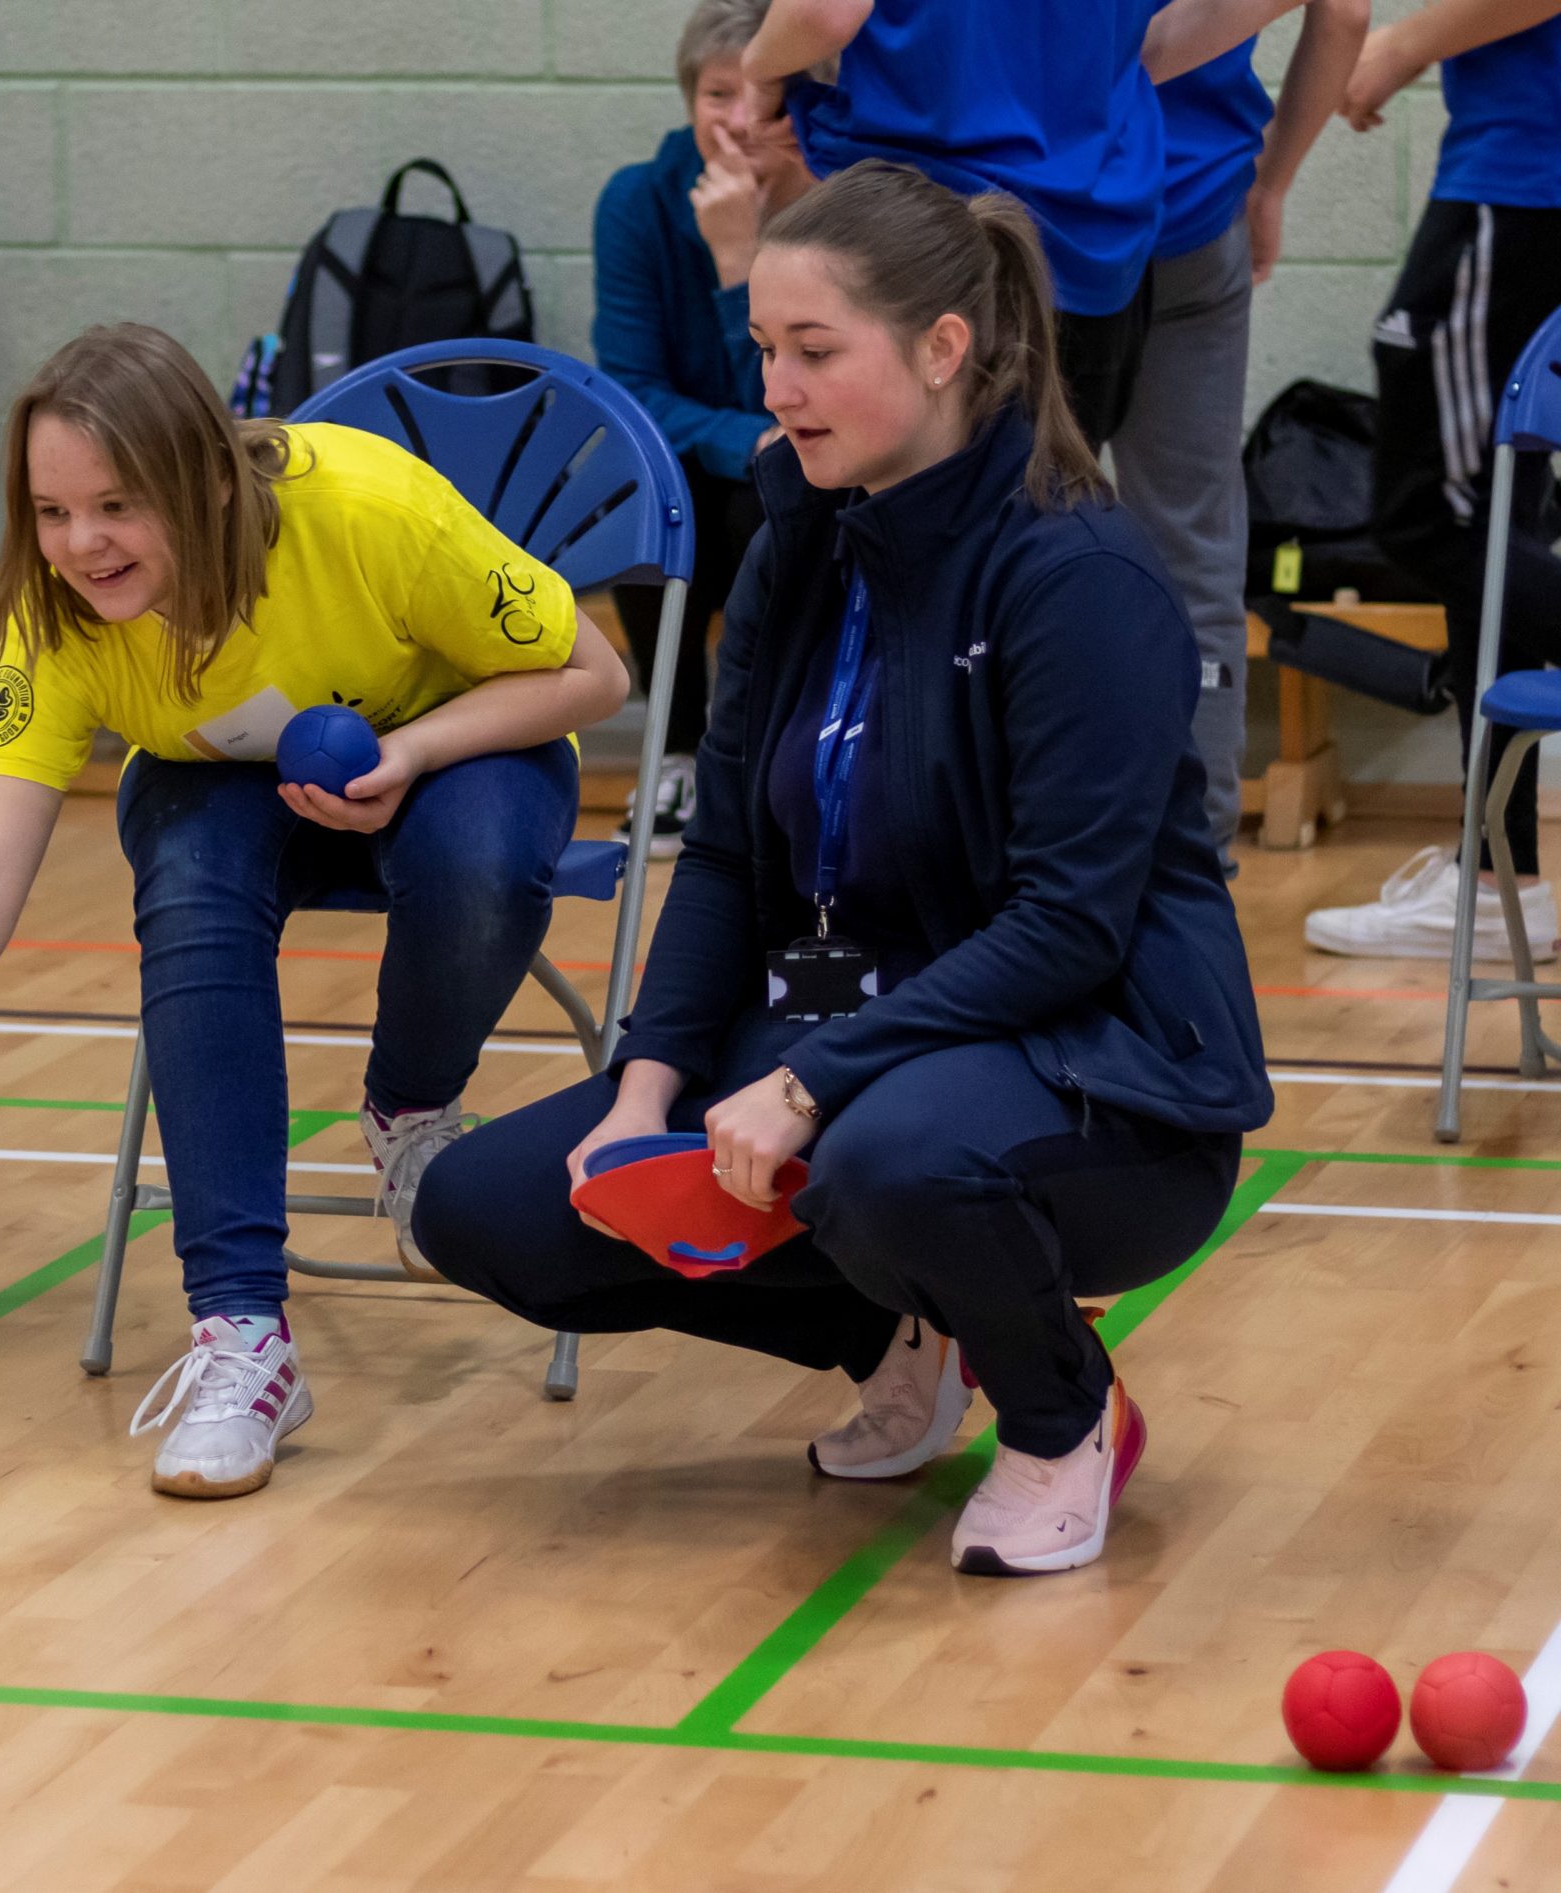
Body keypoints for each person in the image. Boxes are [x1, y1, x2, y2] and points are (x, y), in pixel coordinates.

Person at [413, 163, 1274, 1578]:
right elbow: (731, 849)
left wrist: (809, 1083)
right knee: (492, 1207)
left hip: (1099, 1067)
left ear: (944, 349)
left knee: (886, 1157)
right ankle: (905, 1329)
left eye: (816, 353)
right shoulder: (800, 538)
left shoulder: (1079, 577)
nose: (778, 388)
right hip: (858, 1030)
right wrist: (644, 1092)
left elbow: (1066, 926)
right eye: (765, 351)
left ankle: (1059, 1412)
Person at [0, 324, 628, 1500]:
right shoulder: (52, 624)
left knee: (482, 859)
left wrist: (407, 751)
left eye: (115, 506)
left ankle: (408, 1110)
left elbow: (594, 677)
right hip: (217, 784)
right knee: (190, 884)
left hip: (464, 742)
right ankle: (243, 1337)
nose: (80, 545)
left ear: (203, 480)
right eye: (51, 513)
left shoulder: (367, 507)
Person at [1302, 0, 1561, 961]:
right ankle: (1500, 880)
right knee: (1491, 531)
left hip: (1524, 179)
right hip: (1520, 171)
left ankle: (1500, 879)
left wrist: (1401, 46)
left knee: (1436, 521)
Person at [1120, 0, 1370, 873]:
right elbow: (1346, 11)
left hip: (1035, 207)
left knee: (1009, 529)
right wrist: (1272, 184)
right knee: (1193, 552)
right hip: (1196, 208)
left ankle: (1019, 869)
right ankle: (1199, 866)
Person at [739, 0, 1163, 448]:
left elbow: (822, 14)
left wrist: (759, 71)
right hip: (1096, 235)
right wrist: (1106, 87)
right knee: (1049, 496)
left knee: (887, 497)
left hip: (918, 219)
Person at [593, 0, 813, 860]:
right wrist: (741, 439)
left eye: (770, 98)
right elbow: (633, 390)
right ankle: (673, 753)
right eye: (721, 94)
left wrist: (740, 263)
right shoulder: (637, 203)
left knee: (768, 505)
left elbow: (797, 400)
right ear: (690, 98)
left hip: (793, 464)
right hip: (692, 457)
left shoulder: (835, 205)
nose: (742, 121)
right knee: (644, 503)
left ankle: (754, 755)